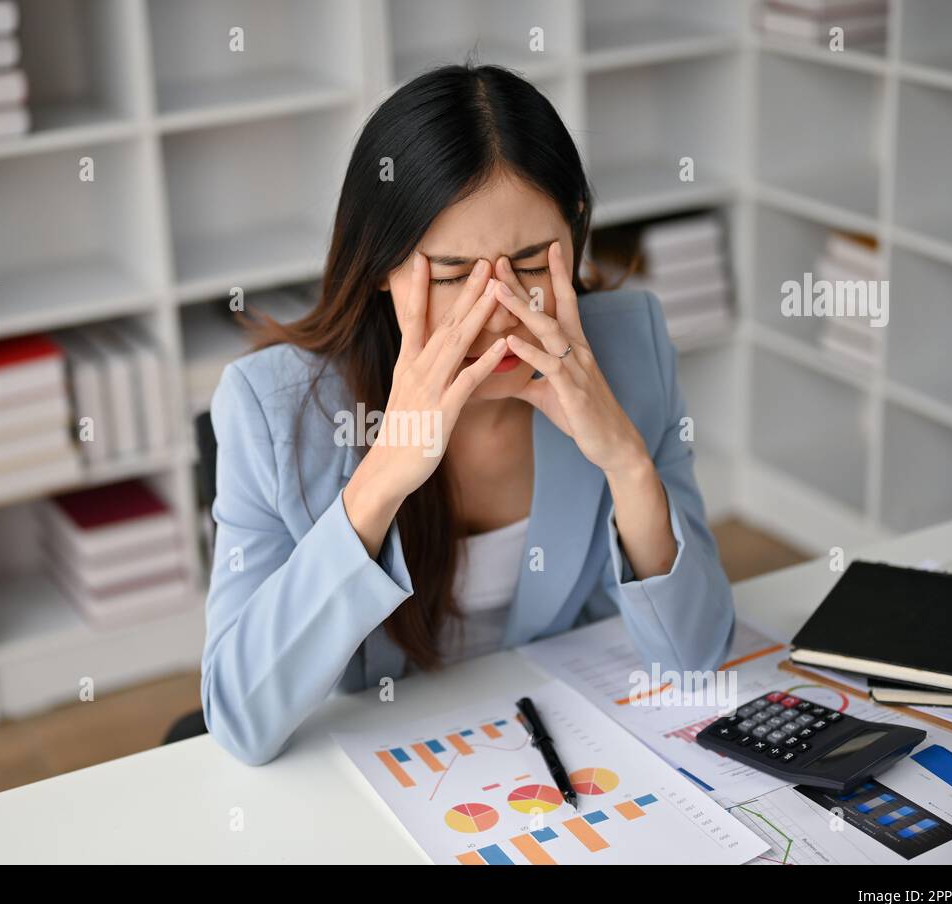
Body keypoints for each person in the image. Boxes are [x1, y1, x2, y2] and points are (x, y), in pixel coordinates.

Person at [197, 64, 734, 765]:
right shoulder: (270, 409)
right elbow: (238, 720)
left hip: (554, 754)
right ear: (380, 267)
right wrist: (382, 479)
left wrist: (628, 464)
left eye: (532, 265)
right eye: (453, 275)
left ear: (576, 230)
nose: (500, 313)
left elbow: (695, 661)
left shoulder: (631, 350)